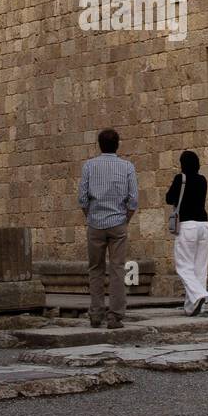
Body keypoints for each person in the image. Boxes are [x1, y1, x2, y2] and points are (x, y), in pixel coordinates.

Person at [78, 128, 138, 329]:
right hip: (118, 222)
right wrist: (124, 219)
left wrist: (91, 216)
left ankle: (95, 314)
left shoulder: (89, 166)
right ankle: (115, 316)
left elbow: (82, 198)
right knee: (117, 269)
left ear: (99, 145)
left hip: (95, 222)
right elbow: (133, 199)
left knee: (95, 269)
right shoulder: (127, 167)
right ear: (117, 144)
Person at [165, 150, 208, 316]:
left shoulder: (180, 179)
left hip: (187, 226)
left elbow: (169, 198)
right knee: (200, 267)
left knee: (184, 266)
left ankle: (199, 295)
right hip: (203, 225)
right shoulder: (203, 180)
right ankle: (193, 307)